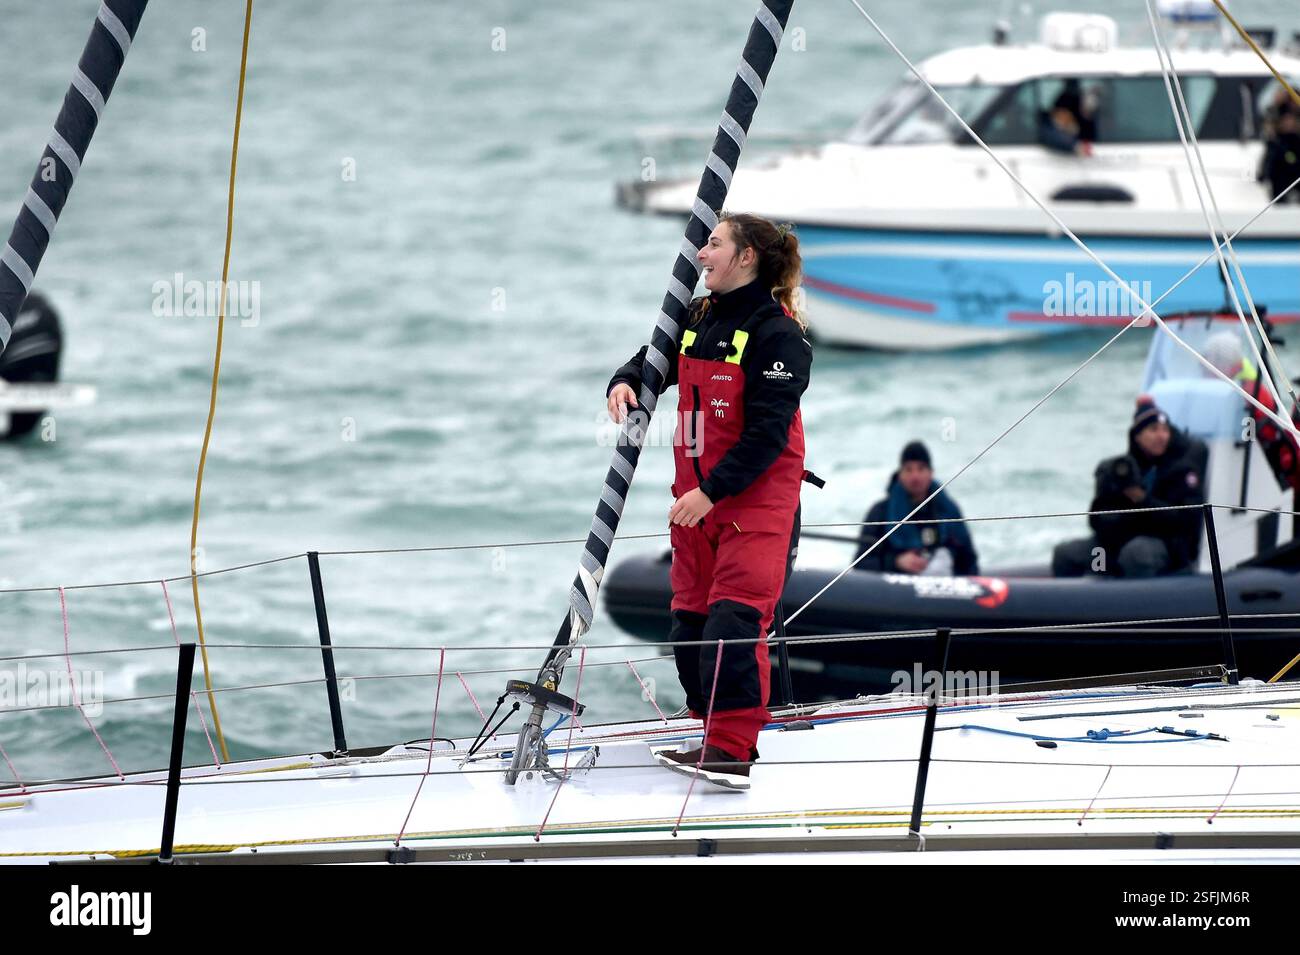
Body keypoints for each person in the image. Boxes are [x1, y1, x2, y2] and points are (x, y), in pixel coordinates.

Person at [605, 212, 812, 790]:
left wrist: (711, 493)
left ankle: (731, 751)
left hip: (752, 506)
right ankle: (708, 729)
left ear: (745, 257)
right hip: (694, 504)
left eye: (714, 244)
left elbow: (768, 437)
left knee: (734, 621)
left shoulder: (778, 334)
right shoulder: (697, 318)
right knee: (689, 624)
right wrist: (624, 380)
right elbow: (654, 357)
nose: (701, 253)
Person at [1052, 396, 1207, 578]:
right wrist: (1110, 493)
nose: (1161, 436)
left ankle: (1142, 602)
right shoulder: (1125, 469)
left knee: (1136, 554)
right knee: (1066, 554)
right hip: (1122, 541)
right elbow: (1097, 521)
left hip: (1165, 545)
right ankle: (1079, 599)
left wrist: (1143, 500)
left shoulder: (1182, 471)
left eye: (1165, 430)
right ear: (1138, 436)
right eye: (1153, 430)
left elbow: (1185, 521)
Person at [853, 441, 978, 576]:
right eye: (909, 469)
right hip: (896, 591)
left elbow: (970, 562)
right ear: (900, 474)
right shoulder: (880, 512)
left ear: (931, 473)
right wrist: (896, 562)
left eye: (921, 468)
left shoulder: (948, 510)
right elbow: (860, 564)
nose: (915, 476)